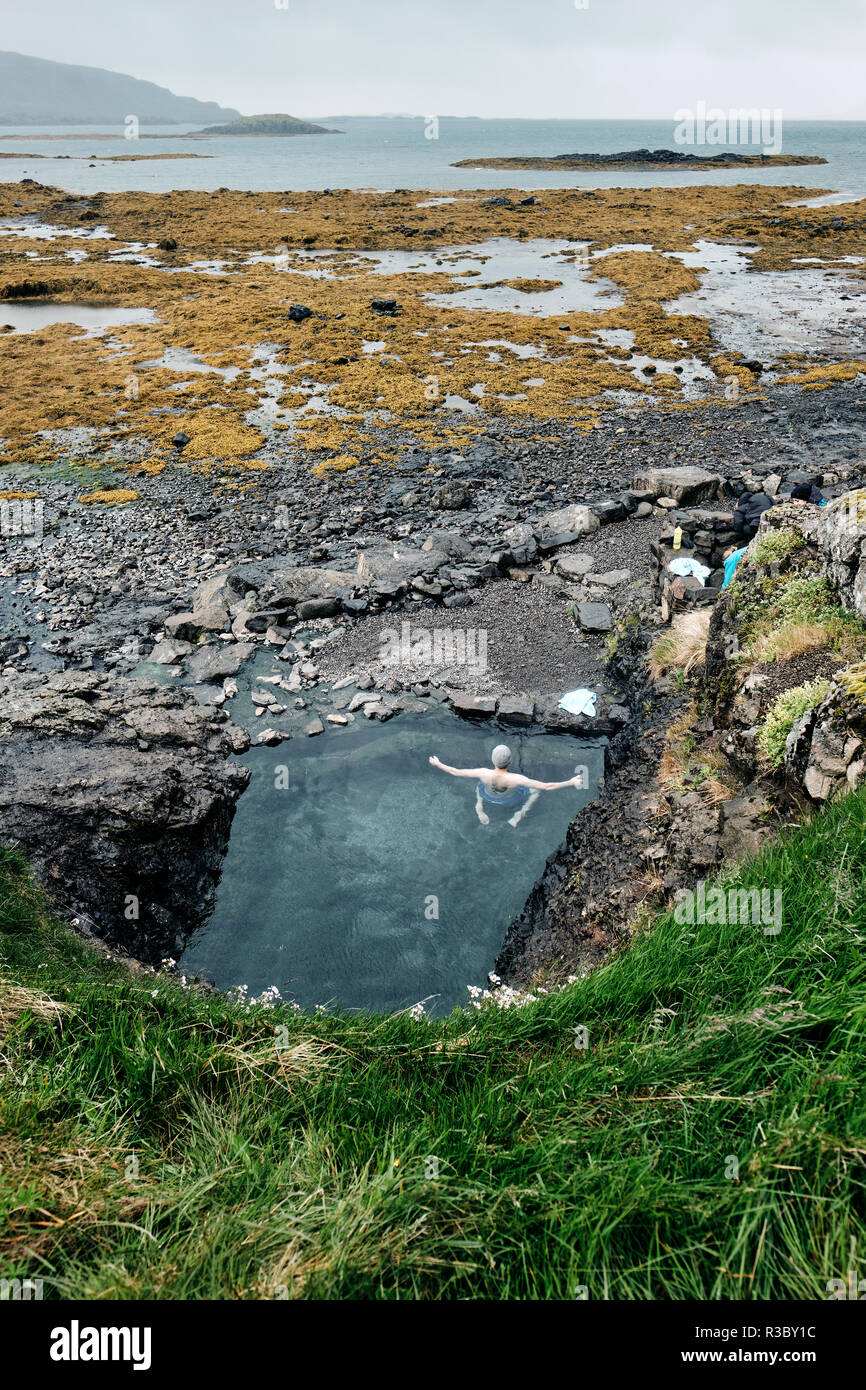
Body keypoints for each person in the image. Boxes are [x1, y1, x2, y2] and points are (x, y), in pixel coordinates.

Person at [429, 743, 584, 829]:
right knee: (536, 791)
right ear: (509, 762)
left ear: (492, 760)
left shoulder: (483, 773)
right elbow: (546, 786)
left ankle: (479, 808)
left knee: (479, 785)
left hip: (487, 796)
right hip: (509, 801)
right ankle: (518, 815)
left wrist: (437, 763)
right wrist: (571, 782)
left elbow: (455, 772)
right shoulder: (517, 779)